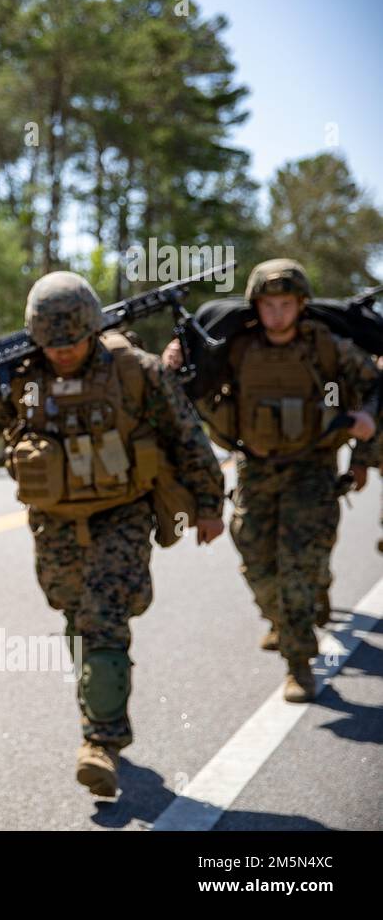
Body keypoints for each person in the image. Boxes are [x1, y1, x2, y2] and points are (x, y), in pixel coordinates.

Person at [0, 272, 225, 797]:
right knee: (75, 615)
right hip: (53, 521)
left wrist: (209, 505)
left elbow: (187, 437)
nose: (63, 353)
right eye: (52, 344)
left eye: (72, 341)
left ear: (93, 330)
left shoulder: (134, 372)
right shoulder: (22, 377)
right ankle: (96, 712)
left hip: (123, 513)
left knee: (103, 616)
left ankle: (102, 741)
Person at [162, 259, 379, 701]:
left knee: (298, 566)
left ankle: (299, 665)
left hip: (312, 469)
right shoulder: (235, 347)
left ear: (301, 305)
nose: (277, 314)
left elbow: (377, 389)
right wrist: (176, 359)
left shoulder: (329, 347)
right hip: (255, 467)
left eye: (286, 304)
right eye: (268, 304)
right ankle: (283, 619)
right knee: (259, 562)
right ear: (255, 306)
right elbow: (192, 386)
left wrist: (363, 442)